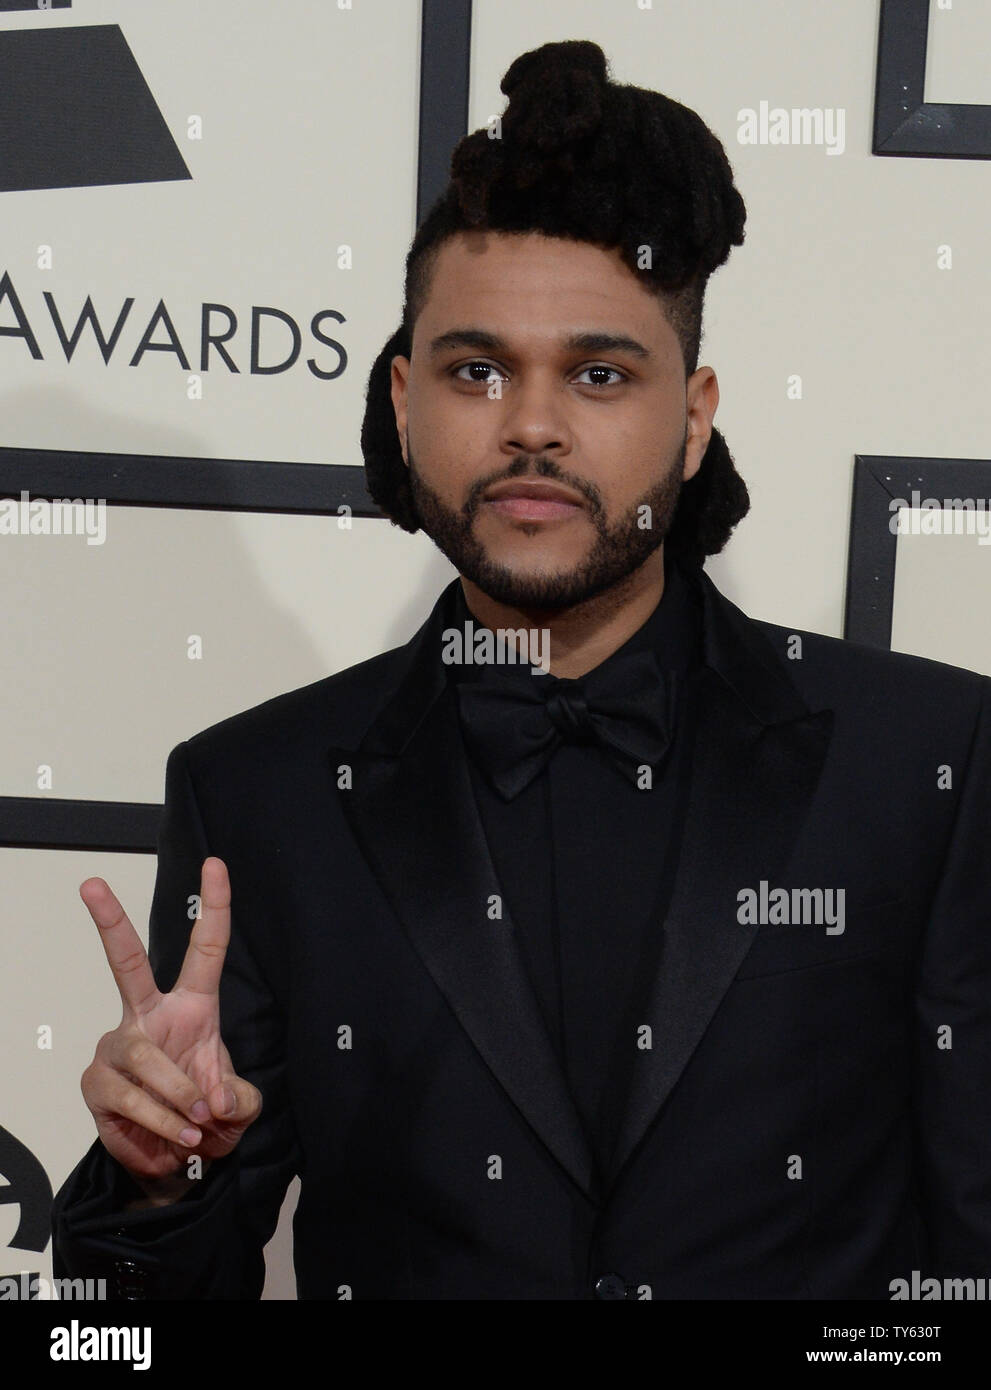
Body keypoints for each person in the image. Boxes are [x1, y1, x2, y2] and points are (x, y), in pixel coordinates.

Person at [51, 39, 991, 1300]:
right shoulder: (261, 792)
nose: (532, 424)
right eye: (474, 369)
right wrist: (156, 1182)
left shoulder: (923, 759)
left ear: (696, 414)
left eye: (599, 373)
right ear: (401, 400)